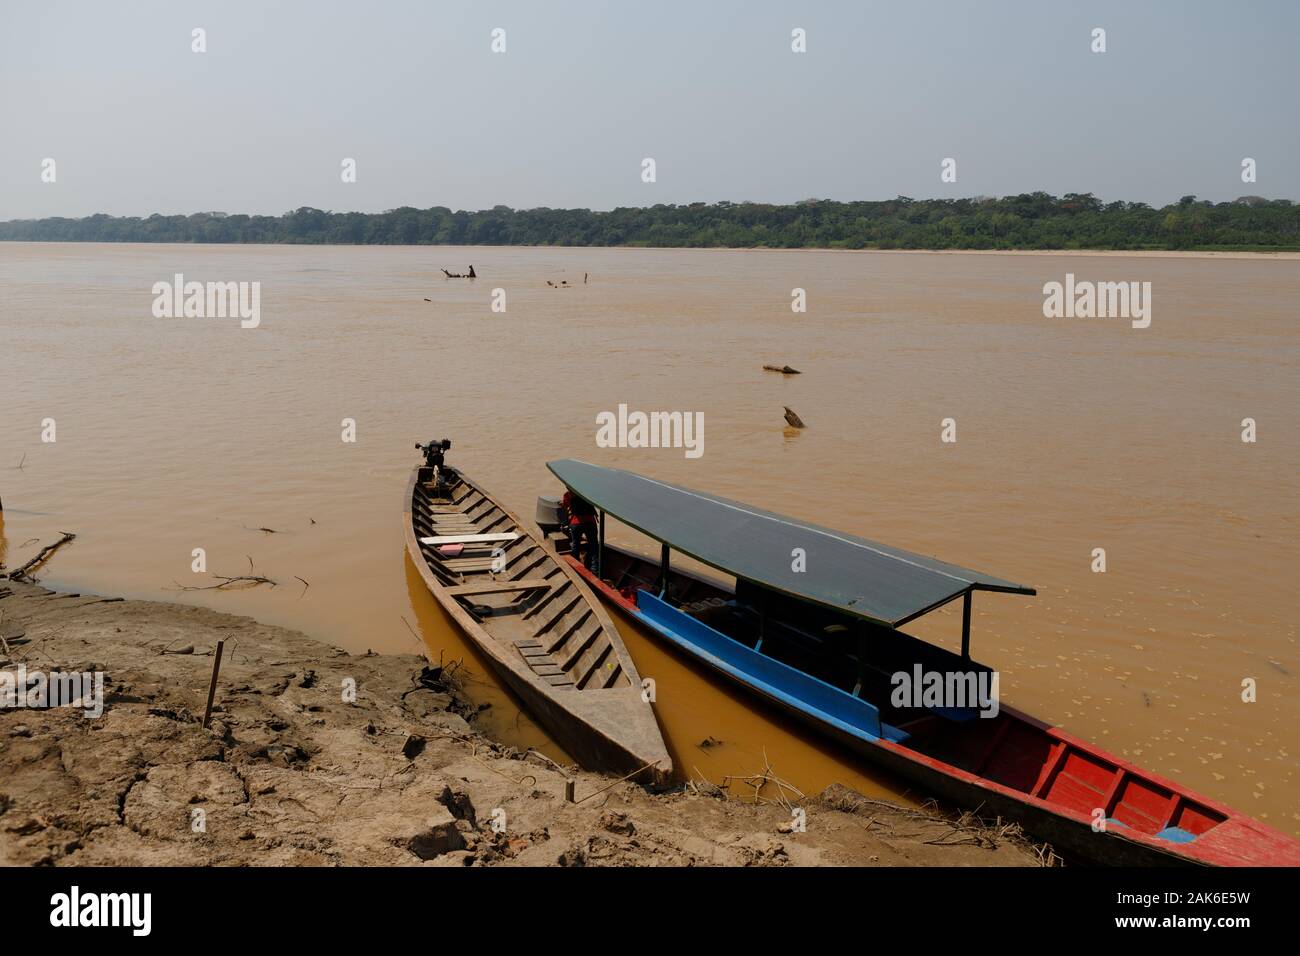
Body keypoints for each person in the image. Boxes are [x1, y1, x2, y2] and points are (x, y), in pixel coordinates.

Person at [562, 491, 598, 571]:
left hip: (576, 523)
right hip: (590, 522)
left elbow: (565, 506)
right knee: (593, 545)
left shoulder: (568, 494)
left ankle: (576, 566)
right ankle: (593, 567)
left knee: (576, 544)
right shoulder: (587, 492)